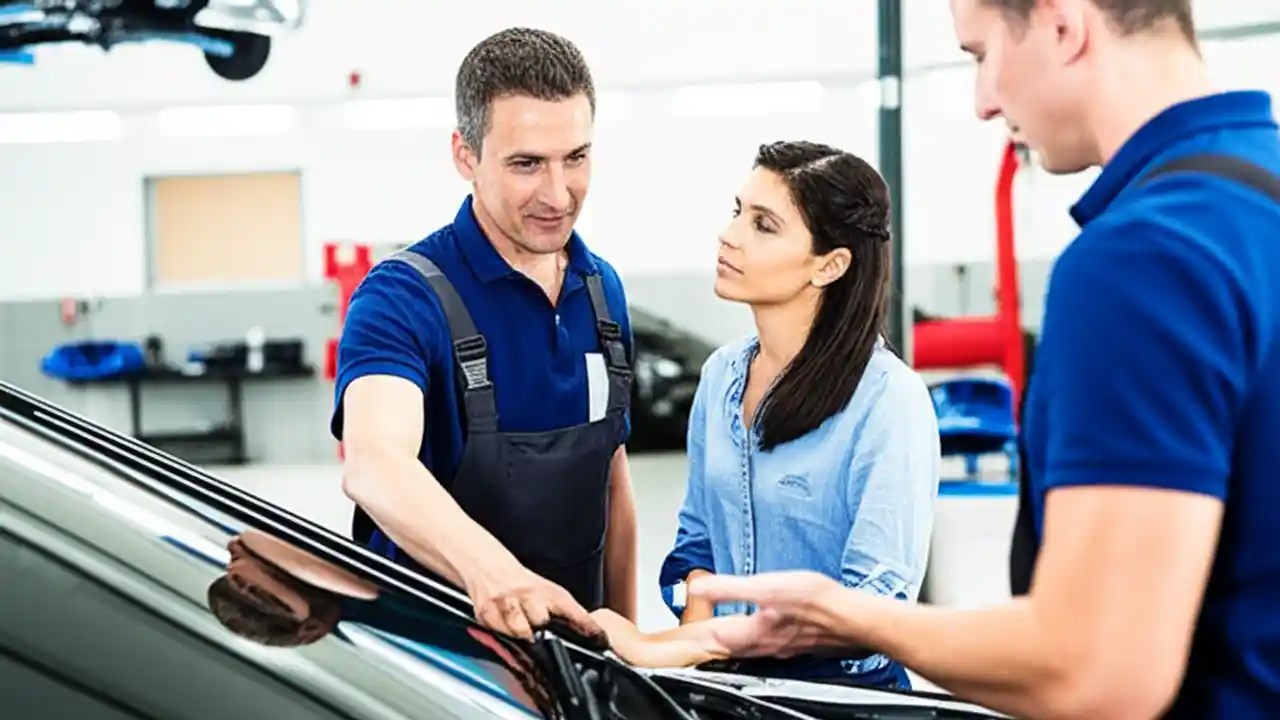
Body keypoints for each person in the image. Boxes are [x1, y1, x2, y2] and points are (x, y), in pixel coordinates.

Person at [676, 1, 1280, 718]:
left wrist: (844, 616)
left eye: (979, 54)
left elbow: (1097, 673)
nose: (983, 102)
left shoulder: (1147, 256)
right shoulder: (1254, 196)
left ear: (1062, 24)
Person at [588, 140, 941, 690]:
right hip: (731, 689)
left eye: (764, 225)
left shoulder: (889, 402)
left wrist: (697, 643)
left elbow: (873, 606)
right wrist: (700, 652)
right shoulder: (721, 376)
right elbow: (697, 542)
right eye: (737, 212)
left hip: (840, 701)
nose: (729, 235)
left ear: (830, 265)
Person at [331, 27, 639, 645]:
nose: (558, 194)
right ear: (465, 155)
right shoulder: (402, 297)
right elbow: (376, 463)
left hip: (569, 667)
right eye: (527, 164)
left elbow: (611, 483)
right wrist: (498, 577)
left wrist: (630, 652)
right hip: (434, 663)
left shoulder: (601, 289)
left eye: (575, 158)